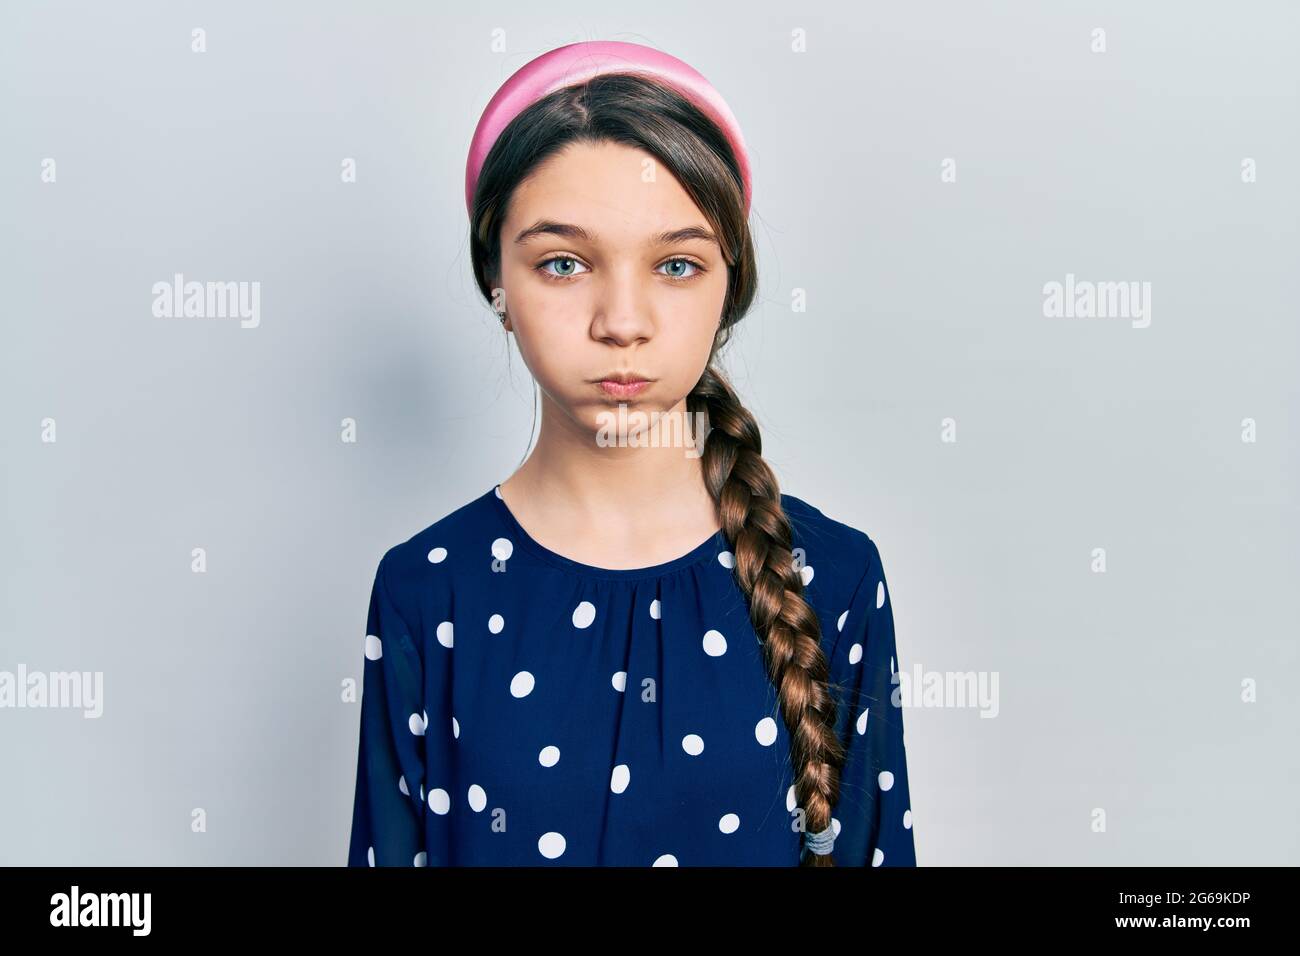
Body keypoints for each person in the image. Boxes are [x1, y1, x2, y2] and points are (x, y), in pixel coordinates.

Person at [347, 40, 915, 867]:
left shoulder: (835, 577)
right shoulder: (427, 590)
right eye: (564, 264)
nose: (622, 320)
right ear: (497, 284)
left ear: (730, 287)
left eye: (676, 265)